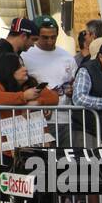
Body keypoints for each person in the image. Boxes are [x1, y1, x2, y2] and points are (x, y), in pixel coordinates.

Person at [0, 53, 57, 178]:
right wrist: (23, 97)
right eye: (19, 67)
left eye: (24, 65)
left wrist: (37, 103)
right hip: (3, 150)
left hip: (31, 147)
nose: (25, 69)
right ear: (8, 69)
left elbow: (53, 97)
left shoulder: (29, 84)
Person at [22, 15, 78, 144]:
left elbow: (75, 83)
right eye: (45, 37)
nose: (50, 41)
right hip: (36, 119)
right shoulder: (25, 55)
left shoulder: (67, 57)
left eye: (53, 37)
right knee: (40, 161)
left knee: (65, 161)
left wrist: (72, 89)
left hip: (65, 118)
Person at [71, 38, 102, 143]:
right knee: (89, 159)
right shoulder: (87, 70)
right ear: (101, 56)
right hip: (88, 132)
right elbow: (78, 98)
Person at [0, 17, 37, 88]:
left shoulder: (14, 54)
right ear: (24, 36)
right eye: (33, 39)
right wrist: (16, 81)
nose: (33, 44)